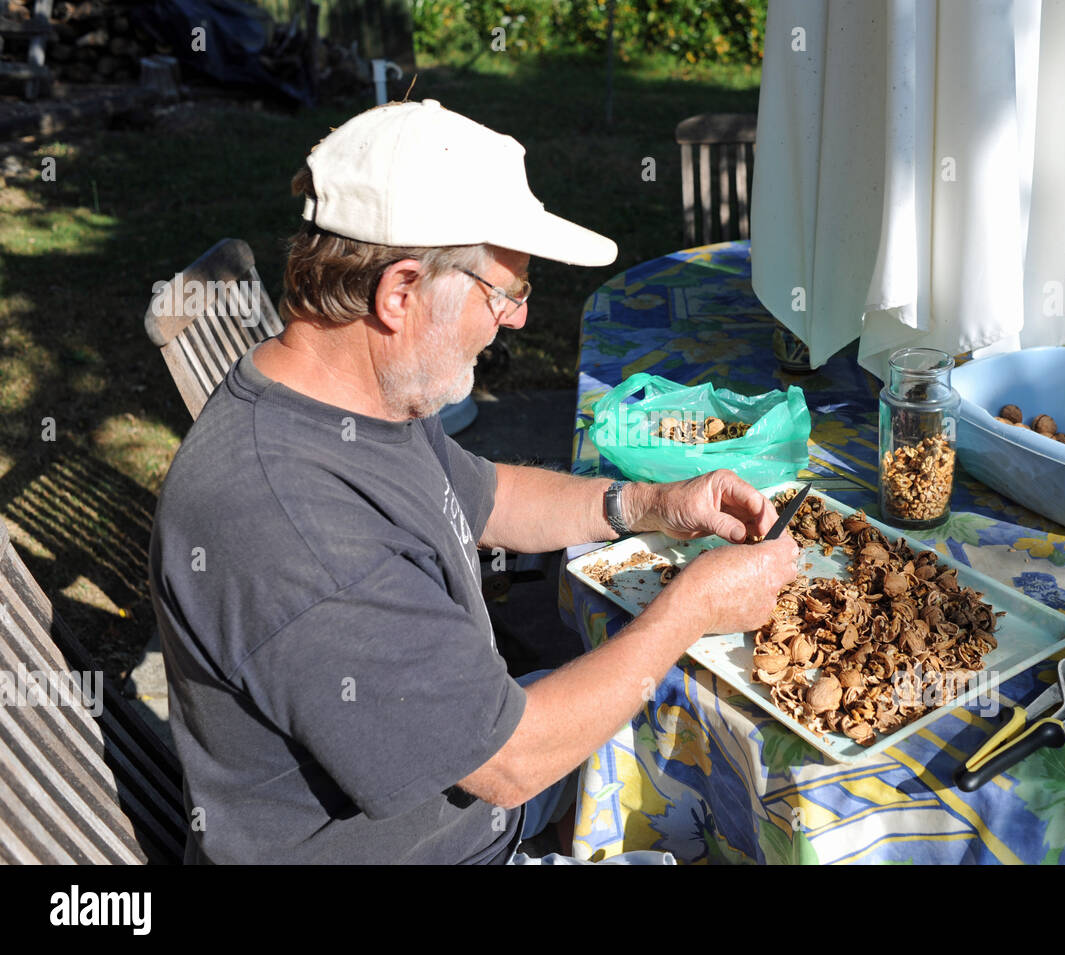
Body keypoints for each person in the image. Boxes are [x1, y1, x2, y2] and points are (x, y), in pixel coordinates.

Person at [148, 100, 799, 864]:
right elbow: (511, 761)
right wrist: (692, 606)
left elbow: (485, 496)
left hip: (464, 798)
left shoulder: (357, 393)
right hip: (455, 831)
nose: (517, 320)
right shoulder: (291, 527)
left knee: (687, 752)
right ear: (399, 293)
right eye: (505, 294)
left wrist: (647, 504)